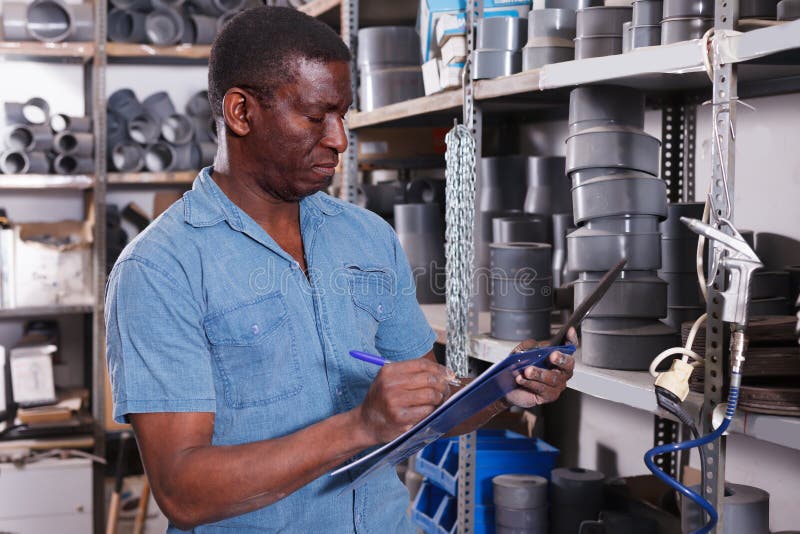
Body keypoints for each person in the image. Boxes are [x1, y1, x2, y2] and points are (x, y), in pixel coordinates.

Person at [105, 6, 576, 533]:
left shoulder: (367, 236)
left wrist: (498, 387)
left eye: (344, 115)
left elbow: (423, 405)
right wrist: (360, 424)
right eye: (315, 116)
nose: (339, 139)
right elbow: (182, 491)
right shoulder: (159, 268)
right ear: (240, 112)